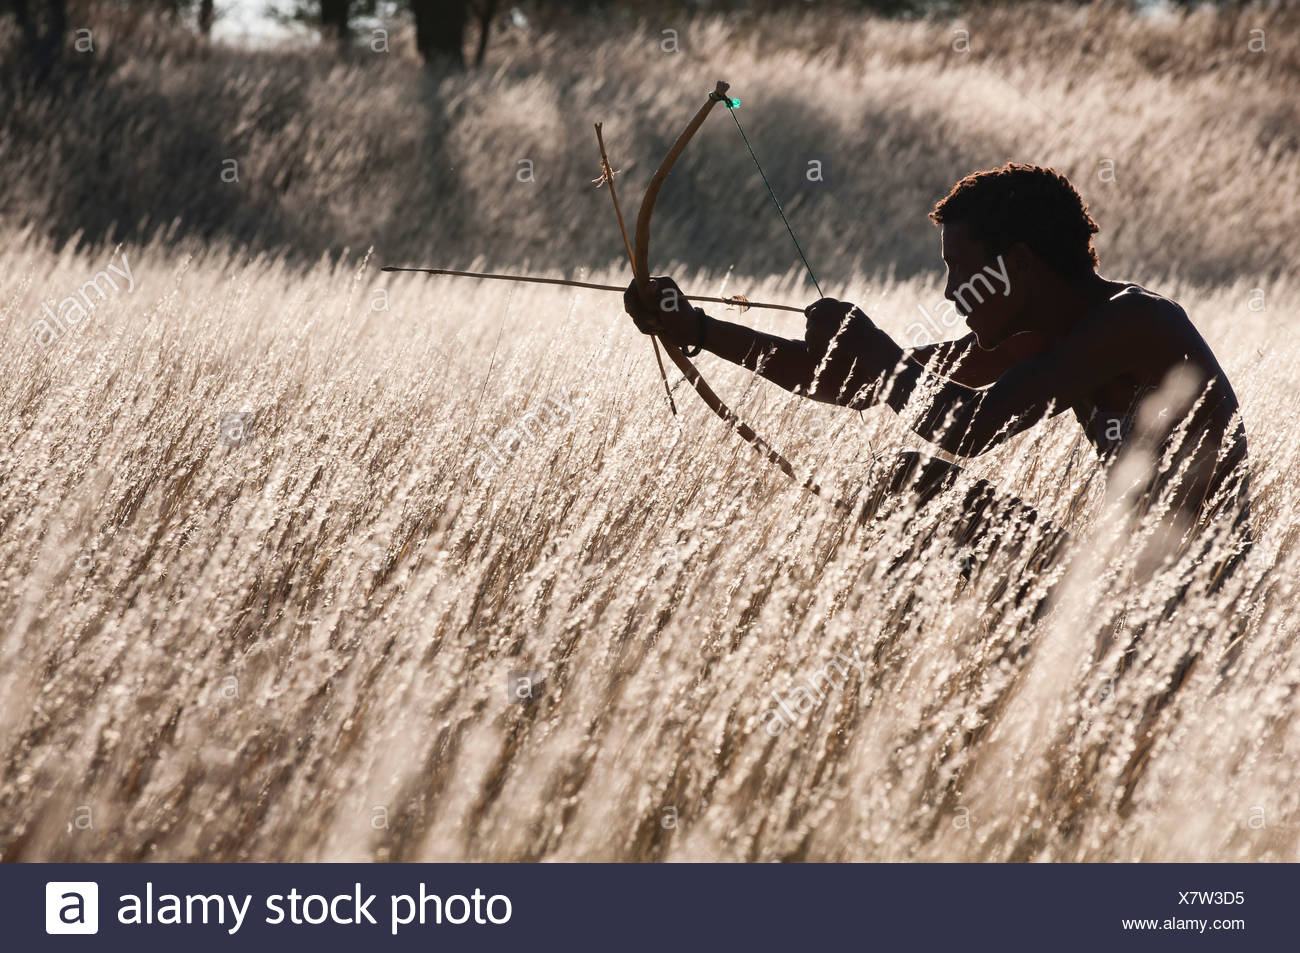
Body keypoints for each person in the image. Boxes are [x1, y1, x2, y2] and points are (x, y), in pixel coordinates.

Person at [622, 163, 1252, 584]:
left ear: (1020, 264)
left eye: (961, 268)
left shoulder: (1134, 323)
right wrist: (697, 329)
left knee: (909, 479)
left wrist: (879, 355)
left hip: (1191, 602)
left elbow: (967, 429)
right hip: (1123, 589)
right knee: (908, 481)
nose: (951, 292)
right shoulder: (1045, 339)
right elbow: (847, 382)